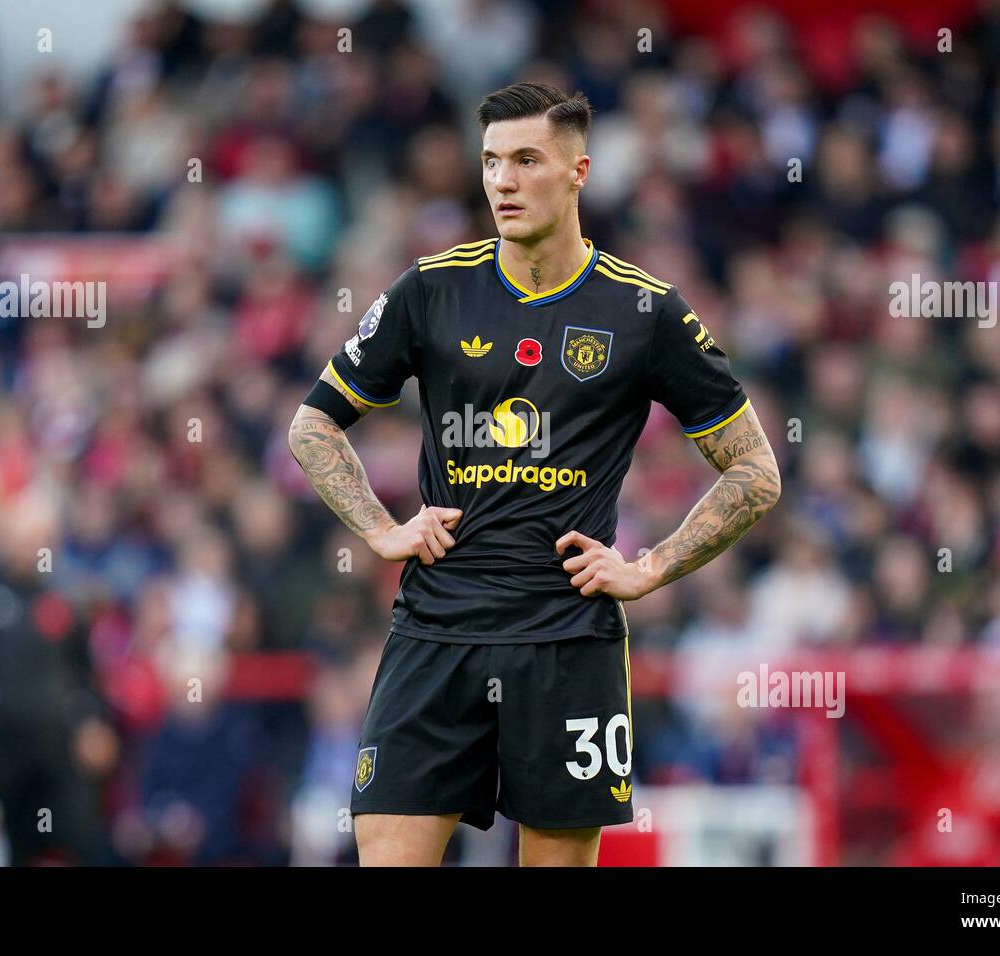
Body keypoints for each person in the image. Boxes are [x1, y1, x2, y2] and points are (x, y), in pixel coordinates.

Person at [288, 82, 781, 866]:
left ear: (579, 170)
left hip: (566, 638)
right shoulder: (431, 289)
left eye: (526, 160)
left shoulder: (643, 312)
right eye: (490, 163)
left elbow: (755, 470)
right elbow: (313, 423)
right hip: (435, 628)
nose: (503, 182)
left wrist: (650, 567)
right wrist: (380, 528)